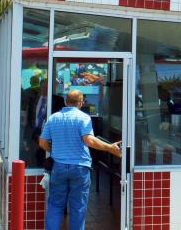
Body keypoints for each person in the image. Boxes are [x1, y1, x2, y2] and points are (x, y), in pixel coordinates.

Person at [39, 89, 121, 230]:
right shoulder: (83, 118)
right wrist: (110, 148)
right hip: (80, 168)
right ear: (81, 103)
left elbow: (42, 142)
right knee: (78, 208)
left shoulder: (53, 118)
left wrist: (55, 151)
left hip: (58, 167)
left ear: (66, 101)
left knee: (55, 206)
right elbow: (89, 140)